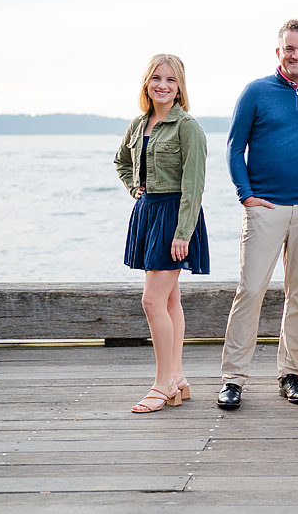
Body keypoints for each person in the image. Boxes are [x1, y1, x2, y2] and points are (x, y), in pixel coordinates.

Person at [218, 19, 298, 410]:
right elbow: (234, 148)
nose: (296, 55)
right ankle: (233, 379)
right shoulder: (256, 91)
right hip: (264, 207)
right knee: (250, 290)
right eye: (289, 49)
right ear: (278, 51)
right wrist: (245, 195)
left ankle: (291, 375)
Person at [114, 53, 209, 414]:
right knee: (169, 301)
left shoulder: (188, 127)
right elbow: (121, 161)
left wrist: (183, 232)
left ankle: (162, 383)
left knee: (151, 301)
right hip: (148, 210)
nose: (162, 85)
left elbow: (194, 184)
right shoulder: (140, 125)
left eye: (170, 80)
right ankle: (178, 377)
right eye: (156, 78)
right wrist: (133, 187)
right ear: (146, 83)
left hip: (175, 216)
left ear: (180, 86)